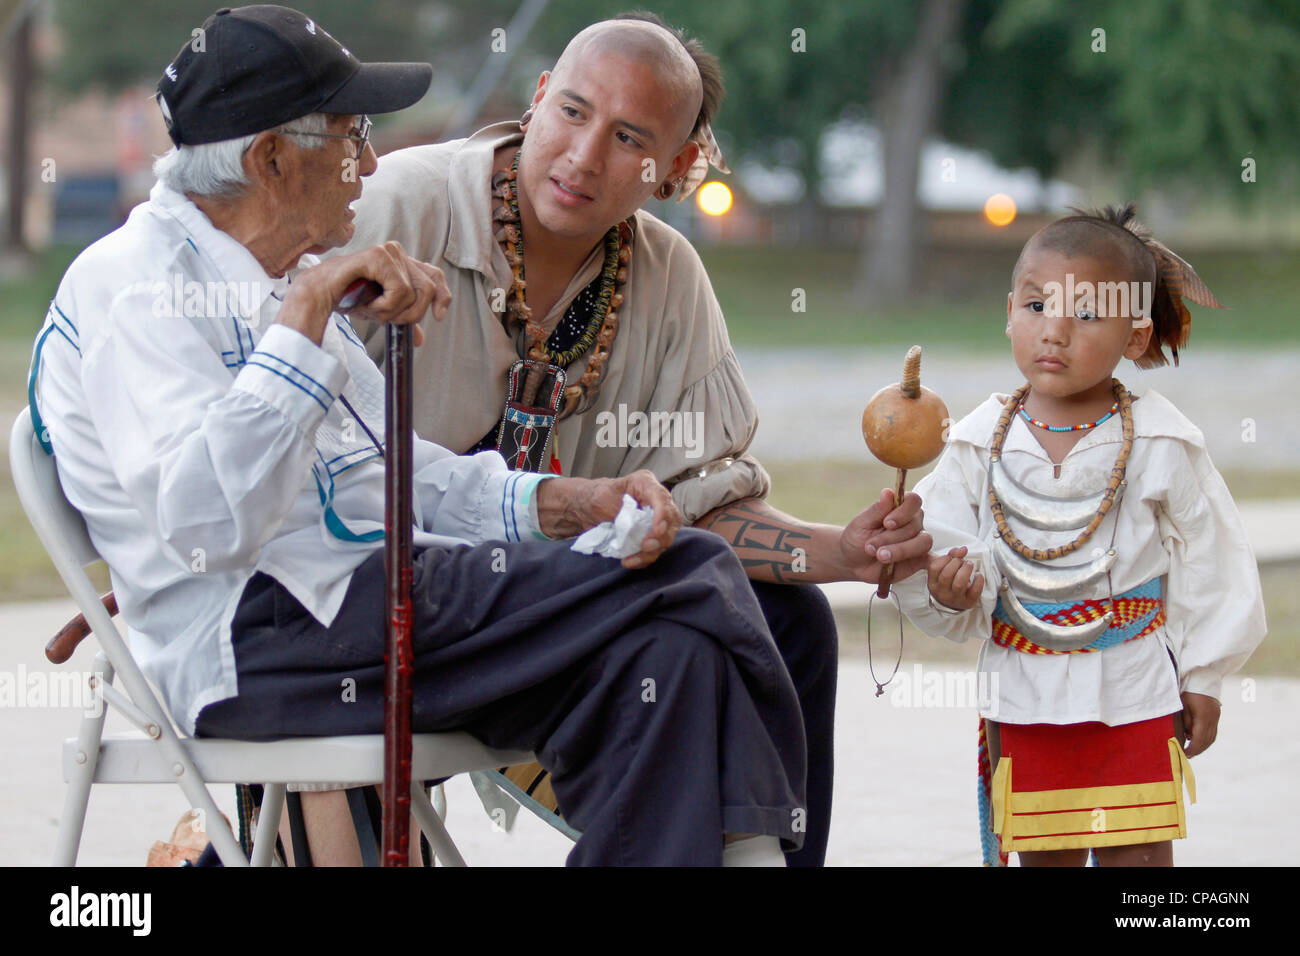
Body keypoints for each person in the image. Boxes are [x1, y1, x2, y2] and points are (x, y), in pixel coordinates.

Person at [27, 4, 817, 866]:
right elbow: (205, 526)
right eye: (352, 135)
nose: (370, 163)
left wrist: (566, 502)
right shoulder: (137, 287)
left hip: (368, 605)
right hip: (268, 639)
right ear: (272, 159)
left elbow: (400, 474)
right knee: (691, 572)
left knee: (672, 652)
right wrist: (301, 327)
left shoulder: (282, 278)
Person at [335, 11, 933, 867]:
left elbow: (696, 502)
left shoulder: (666, 275)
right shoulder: (405, 203)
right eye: (572, 112)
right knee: (675, 633)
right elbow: (284, 413)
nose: (583, 156)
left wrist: (842, 551)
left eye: (628, 139)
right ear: (539, 97)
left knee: (790, 622)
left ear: (677, 168)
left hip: (548, 615)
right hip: (389, 598)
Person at [892, 203, 1267, 866]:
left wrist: (1204, 675)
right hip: (1026, 692)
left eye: (1087, 314)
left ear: (1135, 335)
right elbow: (940, 545)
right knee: (1047, 854)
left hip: (1135, 688)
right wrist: (948, 588)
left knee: (1140, 861)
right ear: (1009, 311)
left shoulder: (1160, 440)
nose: (1055, 331)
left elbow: (1215, 561)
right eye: (1037, 306)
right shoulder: (976, 441)